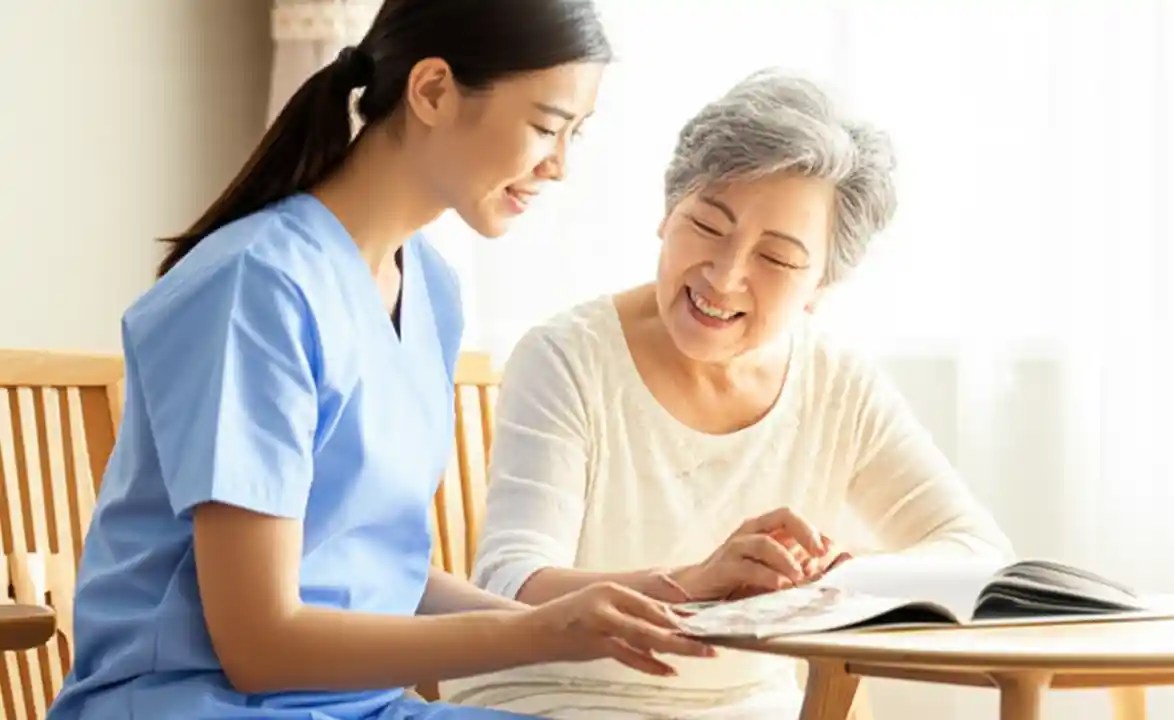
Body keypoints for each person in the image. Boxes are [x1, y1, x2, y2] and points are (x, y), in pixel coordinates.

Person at [46, 2, 718, 719]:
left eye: (574, 135)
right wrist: (537, 630)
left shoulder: (429, 287)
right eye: (547, 127)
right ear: (431, 90)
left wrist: (601, 619)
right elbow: (258, 644)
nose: (558, 166)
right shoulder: (256, 286)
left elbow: (372, 569)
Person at [441, 70, 1015, 718]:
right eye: (708, 225)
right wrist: (691, 584)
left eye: (777, 259)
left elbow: (978, 551)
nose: (725, 275)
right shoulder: (567, 357)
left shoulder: (838, 384)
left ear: (821, 287)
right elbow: (513, 584)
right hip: (551, 701)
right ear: (666, 214)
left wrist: (841, 581)